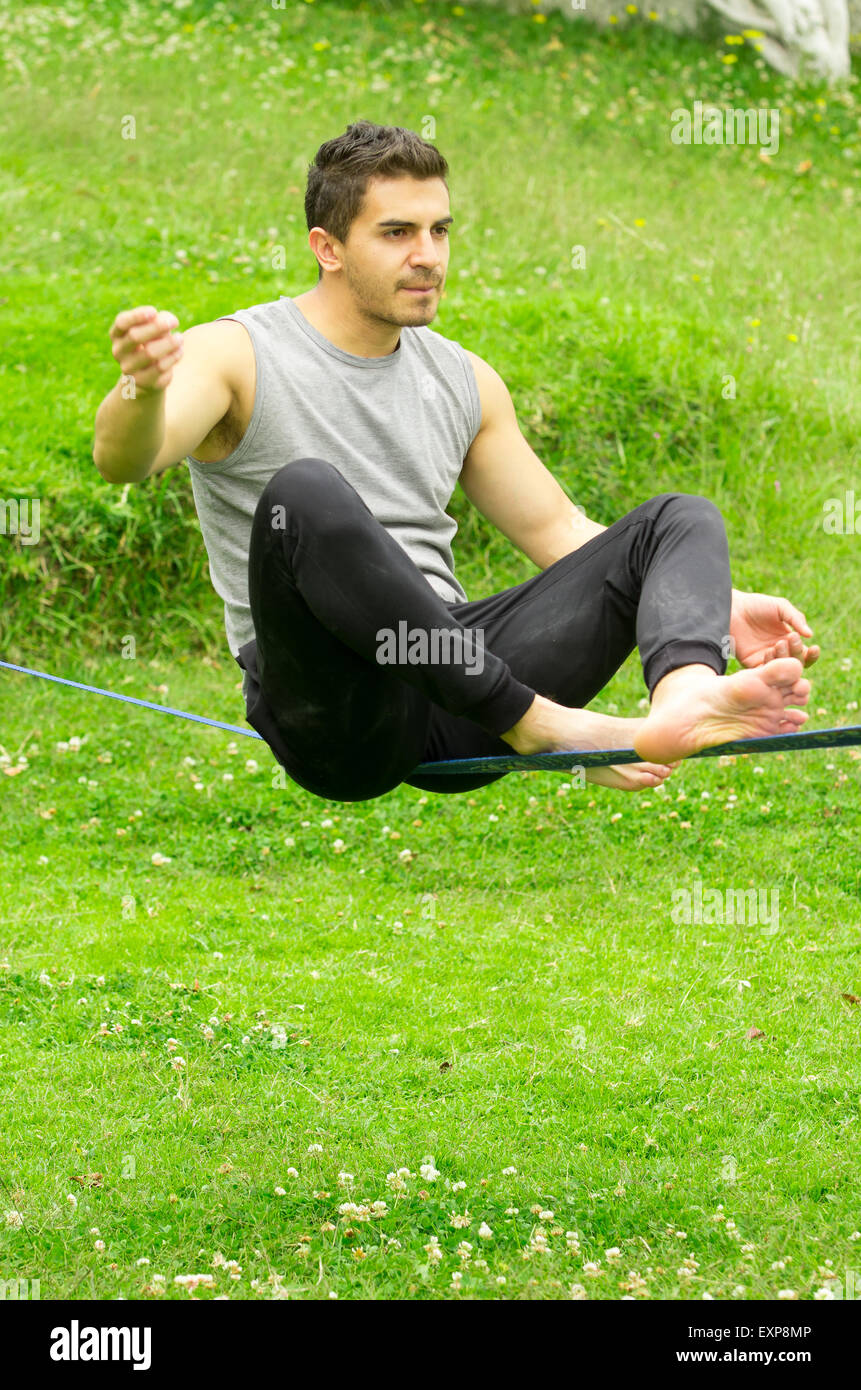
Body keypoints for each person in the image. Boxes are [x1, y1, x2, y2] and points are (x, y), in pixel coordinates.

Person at [92, 121, 818, 803]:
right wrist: (141, 389)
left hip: (457, 690)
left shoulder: (463, 378)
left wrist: (699, 601)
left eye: (439, 230)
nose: (428, 255)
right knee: (304, 492)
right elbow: (126, 460)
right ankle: (540, 725)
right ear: (328, 247)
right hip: (340, 714)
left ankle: (684, 694)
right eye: (397, 233)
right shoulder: (237, 354)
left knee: (676, 520)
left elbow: (560, 531)